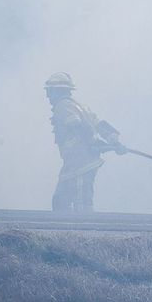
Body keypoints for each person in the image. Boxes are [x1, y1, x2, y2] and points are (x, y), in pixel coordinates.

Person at [45, 72, 124, 213]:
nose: (48, 96)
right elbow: (99, 124)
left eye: (50, 91)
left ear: (58, 91)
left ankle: (83, 225)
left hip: (81, 163)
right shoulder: (80, 106)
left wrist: (94, 143)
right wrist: (114, 141)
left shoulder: (62, 106)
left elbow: (78, 126)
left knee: (81, 202)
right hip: (74, 164)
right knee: (60, 200)